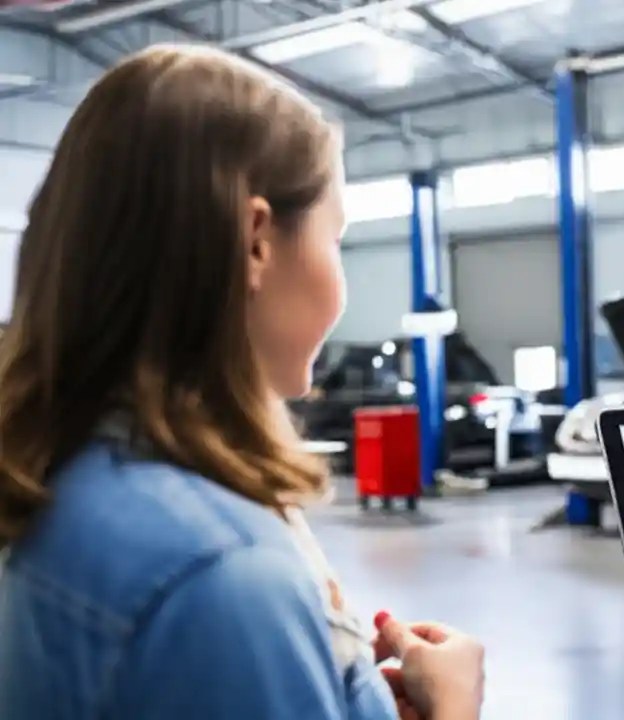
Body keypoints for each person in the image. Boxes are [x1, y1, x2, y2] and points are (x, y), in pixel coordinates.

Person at [0, 45, 484, 719]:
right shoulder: (219, 571)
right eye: (334, 240)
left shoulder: (58, 482)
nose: (339, 283)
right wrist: (454, 709)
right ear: (256, 241)